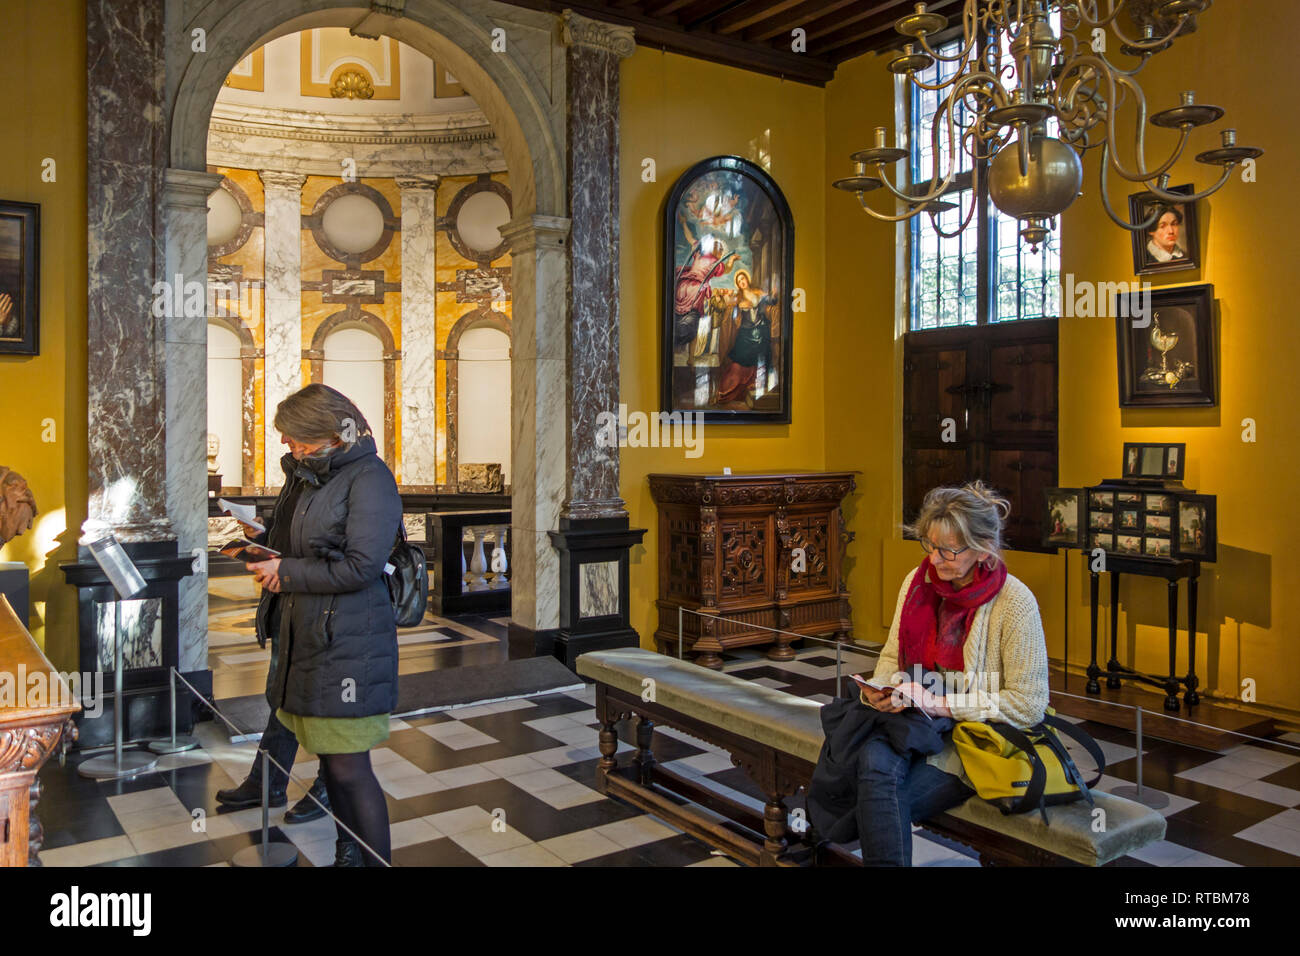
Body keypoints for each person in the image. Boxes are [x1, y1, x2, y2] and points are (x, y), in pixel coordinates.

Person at [224, 384, 402, 866]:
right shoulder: (313, 477)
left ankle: (372, 860)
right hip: (314, 635)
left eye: (295, 436)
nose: (288, 445)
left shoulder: (369, 478)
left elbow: (361, 567)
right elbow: (301, 545)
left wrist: (287, 573)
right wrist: (265, 542)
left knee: (349, 767)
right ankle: (353, 854)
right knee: (332, 759)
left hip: (350, 642)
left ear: (331, 433)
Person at [853, 481, 1049, 865]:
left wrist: (941, 704)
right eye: (929, 545)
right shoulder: (918, 581)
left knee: (878, 797)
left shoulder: (1014, 601)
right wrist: (879, 690)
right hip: (914, 720)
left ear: (982, 548)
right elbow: (892, 659)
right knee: (872, 772)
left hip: (973, 735)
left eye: (949, 550)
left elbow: (1029, 705)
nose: (936, 559)